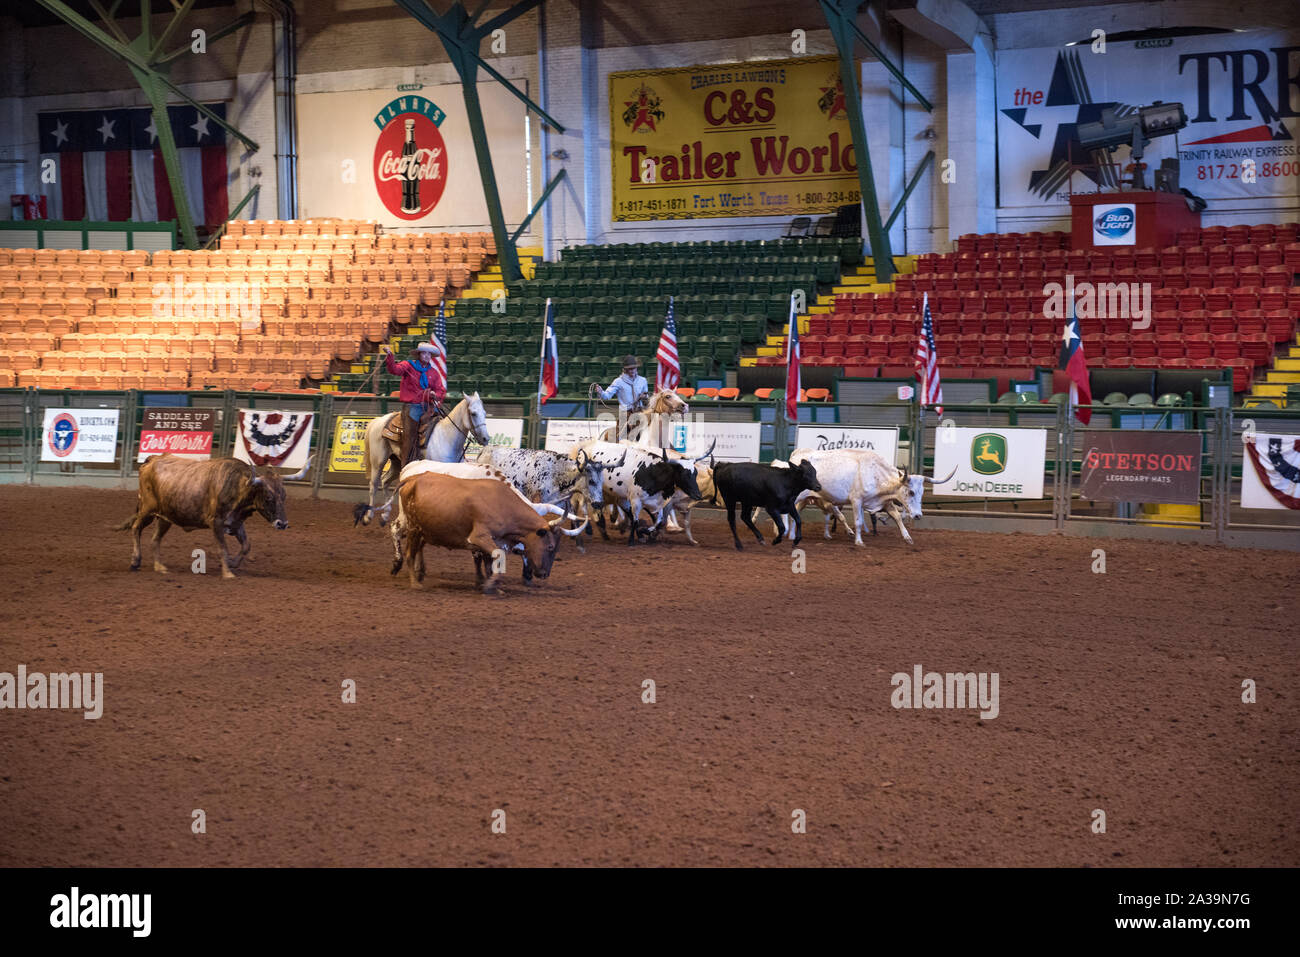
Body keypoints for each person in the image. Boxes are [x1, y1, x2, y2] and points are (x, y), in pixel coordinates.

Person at [382, 341, 445, 464]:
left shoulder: (434, 372)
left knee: (443, 423)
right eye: (424, 353)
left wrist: (435, 395)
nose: (427, 356)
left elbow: (440, 390)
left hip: (429, 406)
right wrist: (390, 356)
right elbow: (394, 370)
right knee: (410, 435)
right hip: (413, 406)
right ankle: (406, 462)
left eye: (429, 354)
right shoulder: (408, 365)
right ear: (419, 354)